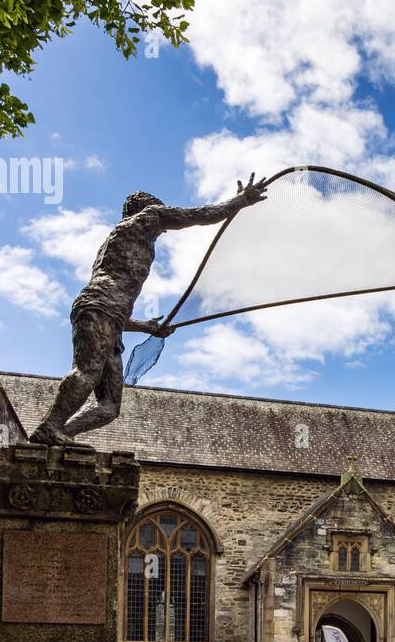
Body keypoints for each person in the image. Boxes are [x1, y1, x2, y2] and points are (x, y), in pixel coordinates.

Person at [29, 173, 268, 445]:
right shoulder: (147, 217)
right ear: (145, 208)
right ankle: (50, 426)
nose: (164, 228)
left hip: (109, 315)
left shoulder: (122, 241)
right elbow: (202, 215)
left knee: (109, 406)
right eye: (163, 218)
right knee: (88, 371)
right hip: (99, 306)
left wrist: (146, 327)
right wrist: (240, 201)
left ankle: (62, 434)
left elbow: (116, 310)